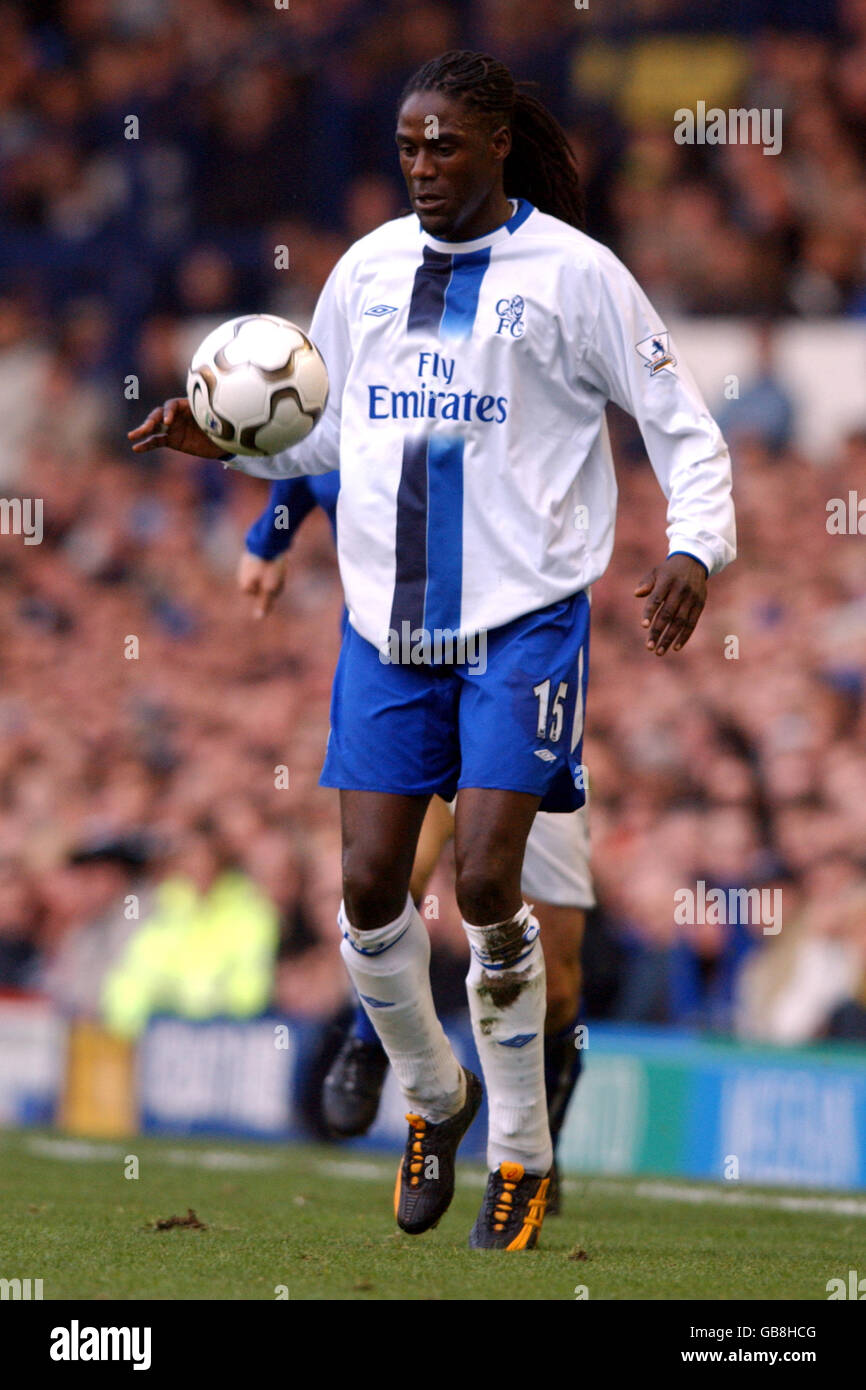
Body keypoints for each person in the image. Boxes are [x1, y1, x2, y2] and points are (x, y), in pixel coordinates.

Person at [130, 50, 736, 1251]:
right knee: (364, 892)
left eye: (443, 145)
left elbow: (682, 427)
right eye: (406, 145)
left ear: (498, 144)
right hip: (384, 630)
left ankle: (516, 1150)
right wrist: (228, 449)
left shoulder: (574, 274)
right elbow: (325, 437)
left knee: (483, 883)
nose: (419, 165)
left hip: (523, 626)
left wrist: (693, 552)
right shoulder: (363, 270)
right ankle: (429, 1089)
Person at [239, 475, 593, 1214]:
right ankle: (394, 1055)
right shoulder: (374, 381)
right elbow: (315, 436)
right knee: (382, 878)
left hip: (520, 668)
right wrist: (269, 534)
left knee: (555, 973)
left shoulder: (513, 389)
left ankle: (535, 1143)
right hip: (413, 662)